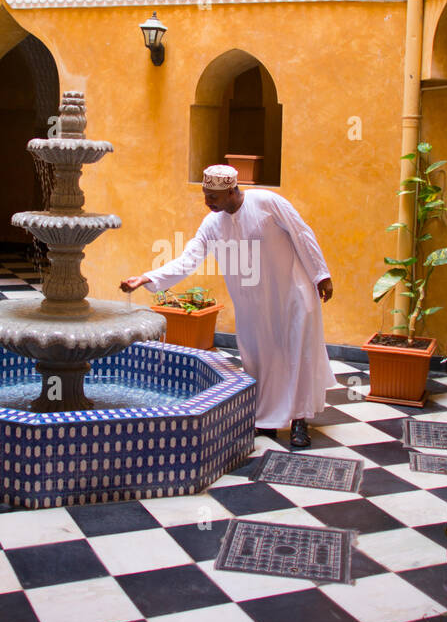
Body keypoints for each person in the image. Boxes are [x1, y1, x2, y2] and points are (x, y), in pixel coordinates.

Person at [120, 165, 335, 448]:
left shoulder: (268, 203)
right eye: (206, 195)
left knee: (297, 354)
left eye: (214, 197)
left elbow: (302, 234)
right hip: (253, 305)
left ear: (232, 191)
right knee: (259, 358)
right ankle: (266, 419)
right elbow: (188, 259)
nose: (208, 202)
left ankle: (299, 421)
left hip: (292, 294)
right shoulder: (213, 224)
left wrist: (321, 275)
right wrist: (148, 277)